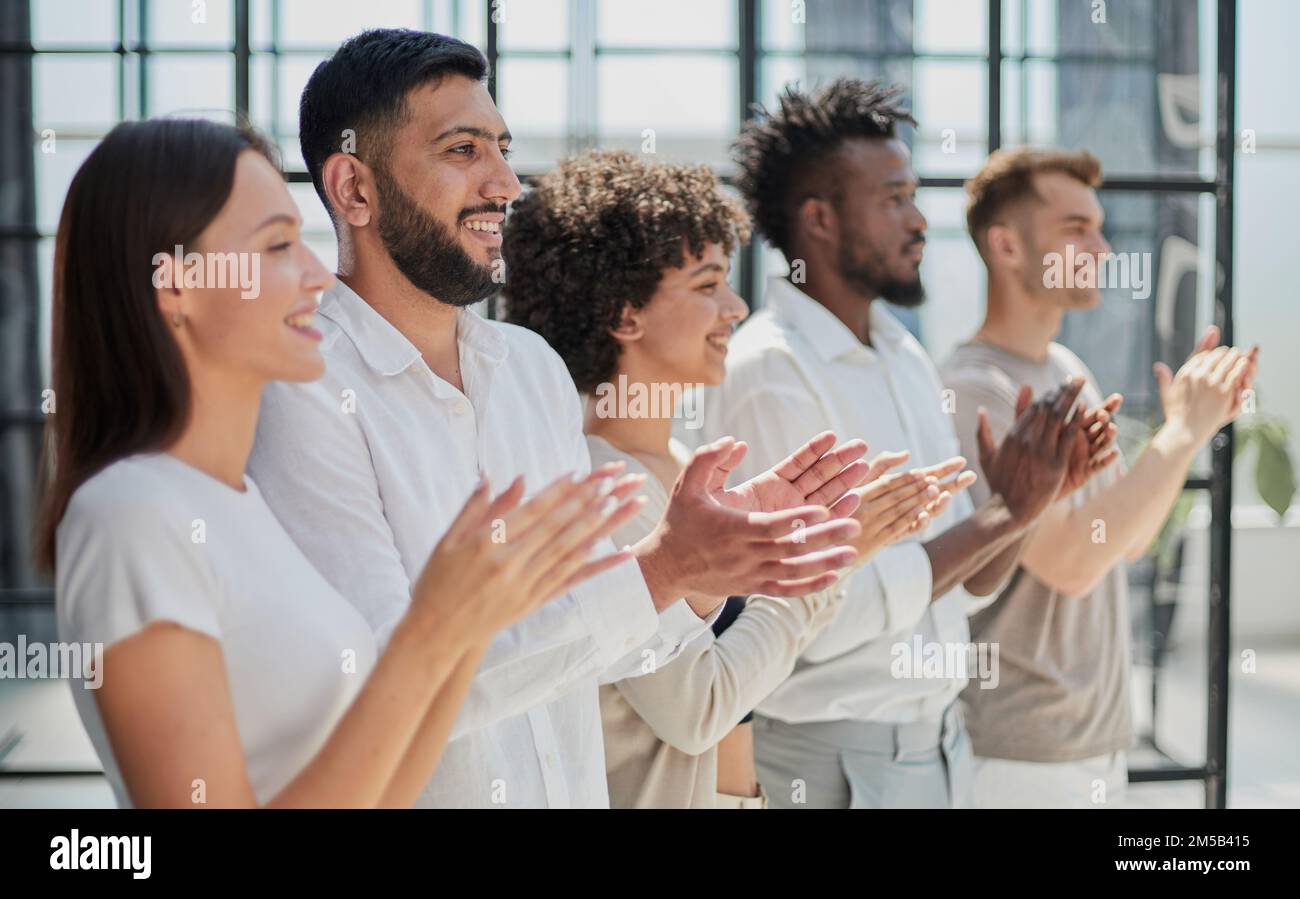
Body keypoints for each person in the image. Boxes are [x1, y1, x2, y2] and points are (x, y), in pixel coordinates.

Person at [246, 29, 868, 808]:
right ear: (354, 189)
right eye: (462, 149)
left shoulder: (531, 371)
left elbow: (599, 641)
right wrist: (666, 567)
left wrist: (704, 569)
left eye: (502, 147)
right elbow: (387, 692)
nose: (505, 182)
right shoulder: (300, 389)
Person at [39, 118, 640, 808]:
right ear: (175, 284)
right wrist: (431, 630)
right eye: (277, 246)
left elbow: (382, 790)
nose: (318, 273)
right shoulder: (132, 516)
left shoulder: (241, 505)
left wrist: (465, 626)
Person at [697, 78, 1120, 808]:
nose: (920, 219)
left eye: (915, 194)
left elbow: (971, 581)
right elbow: (821, 616)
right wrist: (1002, 515)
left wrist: (1030, 500)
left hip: (937, 753)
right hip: (832, 763)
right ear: (819, 220)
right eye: (893, 198)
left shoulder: (905, 356)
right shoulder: (772, 370)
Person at [502, 150, 955, 808]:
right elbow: (699, 708)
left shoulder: (681, 464)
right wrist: (827, 568)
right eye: (707, 283)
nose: (736, 306)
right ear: (625, 315)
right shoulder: (603, 488)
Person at [941, 147, 1259, 807]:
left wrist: (1182, 429)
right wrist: (1182, 434)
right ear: (1006, 244)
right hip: (1021, 754)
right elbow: (1070, 561)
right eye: (1075, 228)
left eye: (1099, 226)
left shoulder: (1066, 369)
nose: (1103, 247)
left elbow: (1127, 540)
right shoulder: (974, 389)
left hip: (1097, 742)